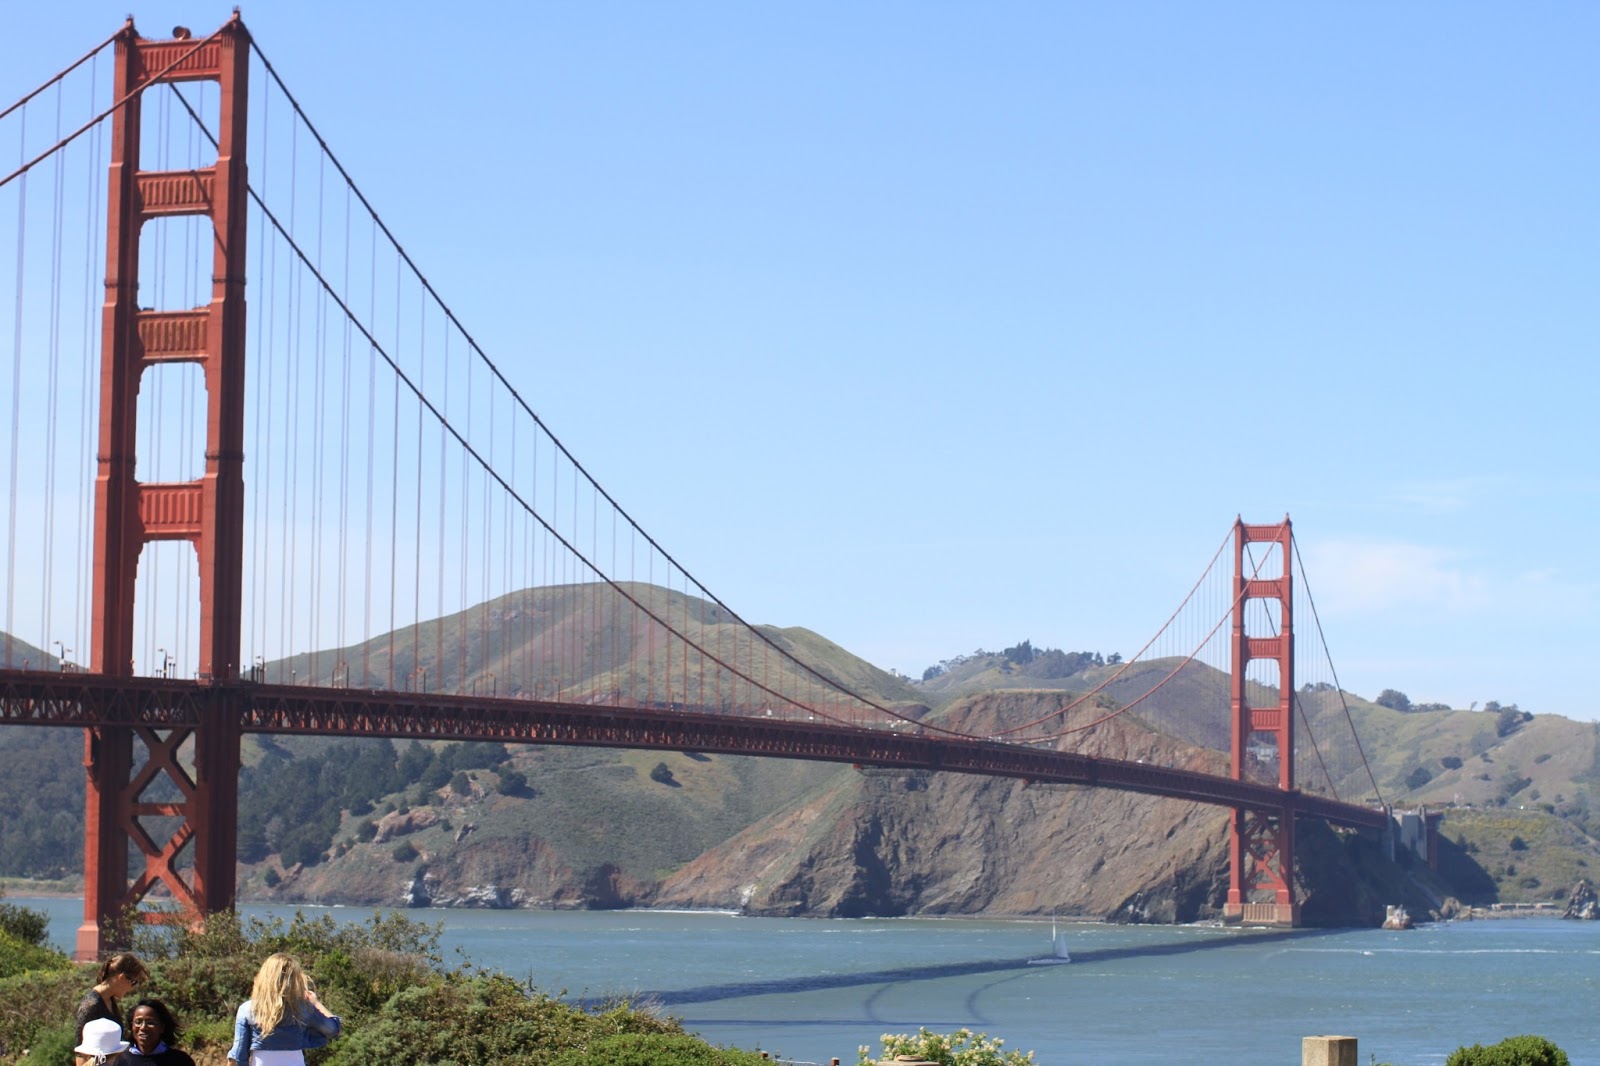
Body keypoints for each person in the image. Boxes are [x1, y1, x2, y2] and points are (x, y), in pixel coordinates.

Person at [226, 953, 341, 1066]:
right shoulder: (303, 1009)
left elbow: (239, 1054)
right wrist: (315, 1003)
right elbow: (332, 1029)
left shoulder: (247, 1009)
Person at [76, 953, 149, 1042]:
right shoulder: (91, 1004)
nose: (132, 988)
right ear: (122, 978)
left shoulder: (110, 1000)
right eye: (133, 982)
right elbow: (80, 1044)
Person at [115, 998, 195, 1066]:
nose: (143, 1027)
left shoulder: (180, 1061)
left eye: (150, 1022)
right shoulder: (121, 1060)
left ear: (162, 1027)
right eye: (138, 1022)